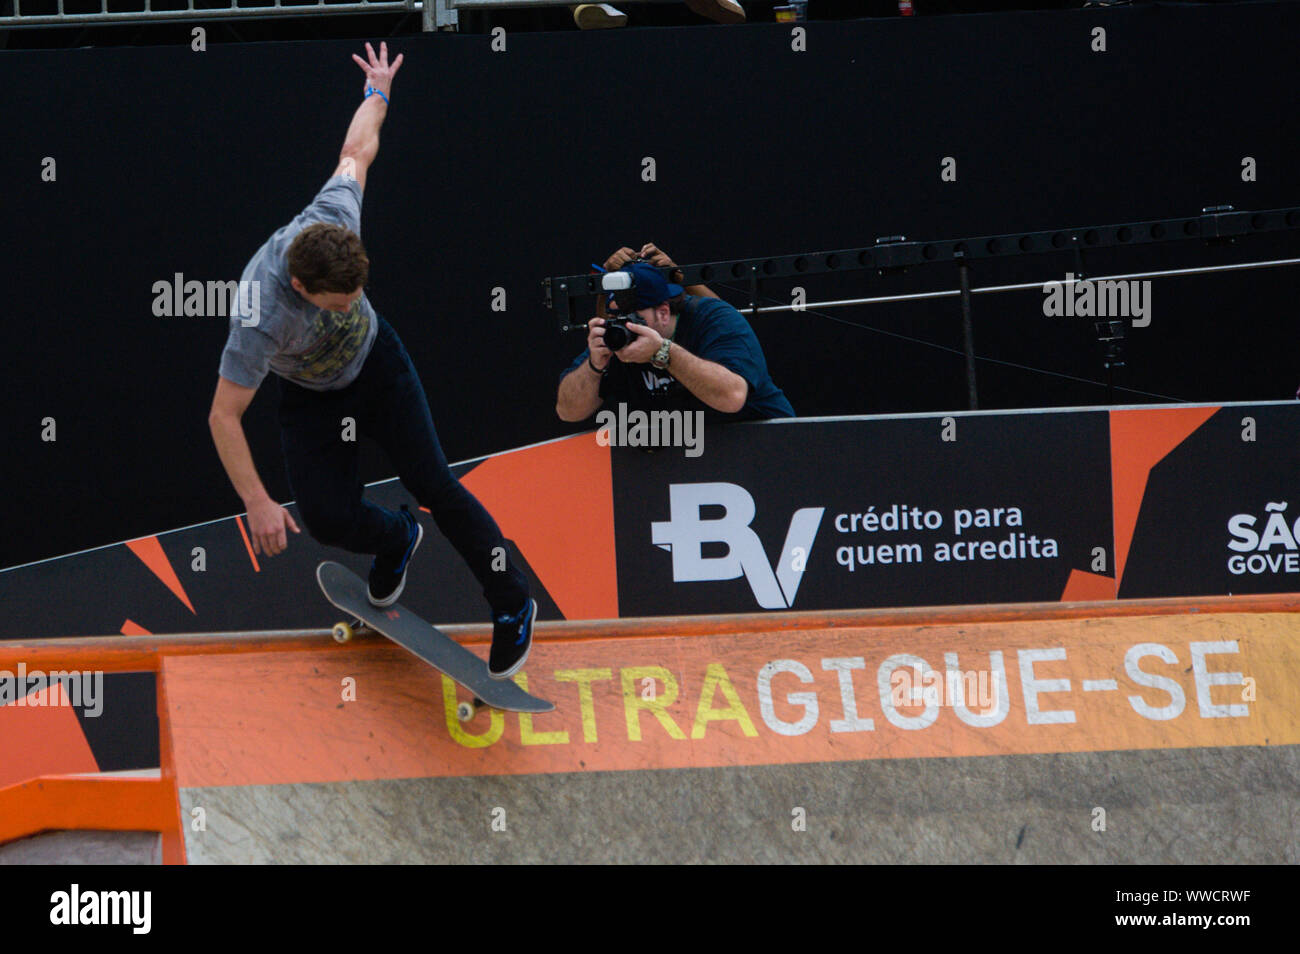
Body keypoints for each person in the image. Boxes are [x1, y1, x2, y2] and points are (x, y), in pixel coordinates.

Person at [207, 42, 536, 679]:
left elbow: (357, 150)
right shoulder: (258, 314)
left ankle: (512, 599)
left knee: (435, 483)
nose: (350, 300)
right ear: (302, 288)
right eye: (340, 299)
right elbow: (223, 416)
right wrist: (256, 499)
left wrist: (378, 91)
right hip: (311, 397)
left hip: (379, 365)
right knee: (326, 518)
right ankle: (394, 537)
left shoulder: (335, 213)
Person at [556, 243, 794, 424]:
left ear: (663, 312)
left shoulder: (712, 317)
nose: (625, 326)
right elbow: (567, 412)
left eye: (634, 317)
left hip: (763, 442)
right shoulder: (616, 336)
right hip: (688, 456)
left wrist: (663, 351)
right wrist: (594, 367)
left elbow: (732, 396)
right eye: (617, 317)